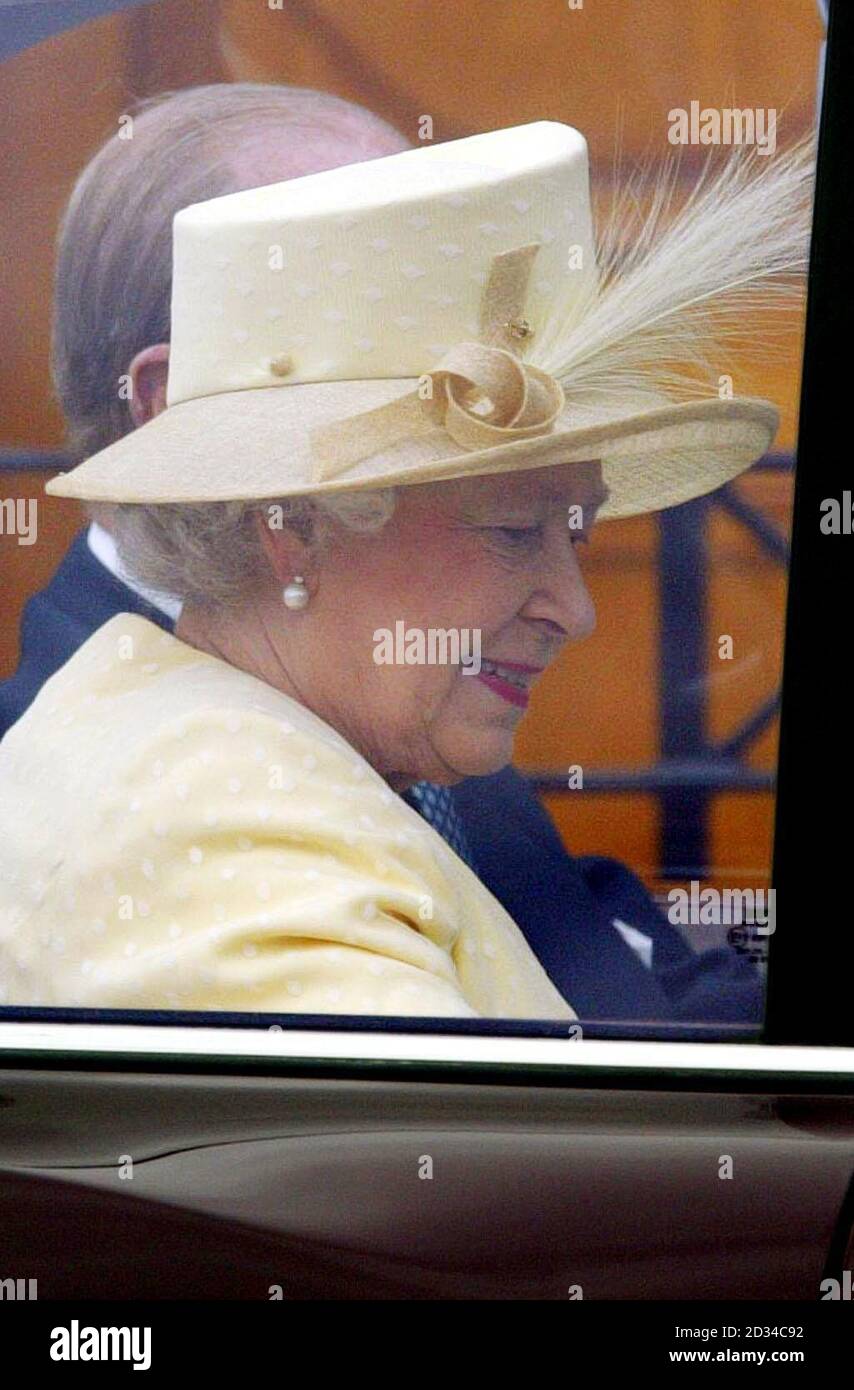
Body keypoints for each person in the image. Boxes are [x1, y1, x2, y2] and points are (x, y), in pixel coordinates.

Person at [0, 102, 809, 1017]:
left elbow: (599, 965)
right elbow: (495, 1151)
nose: (576, 611)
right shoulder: (221, 815)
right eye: (512, 530)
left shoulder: (347, 692)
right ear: (290, 520)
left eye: (576, 531)